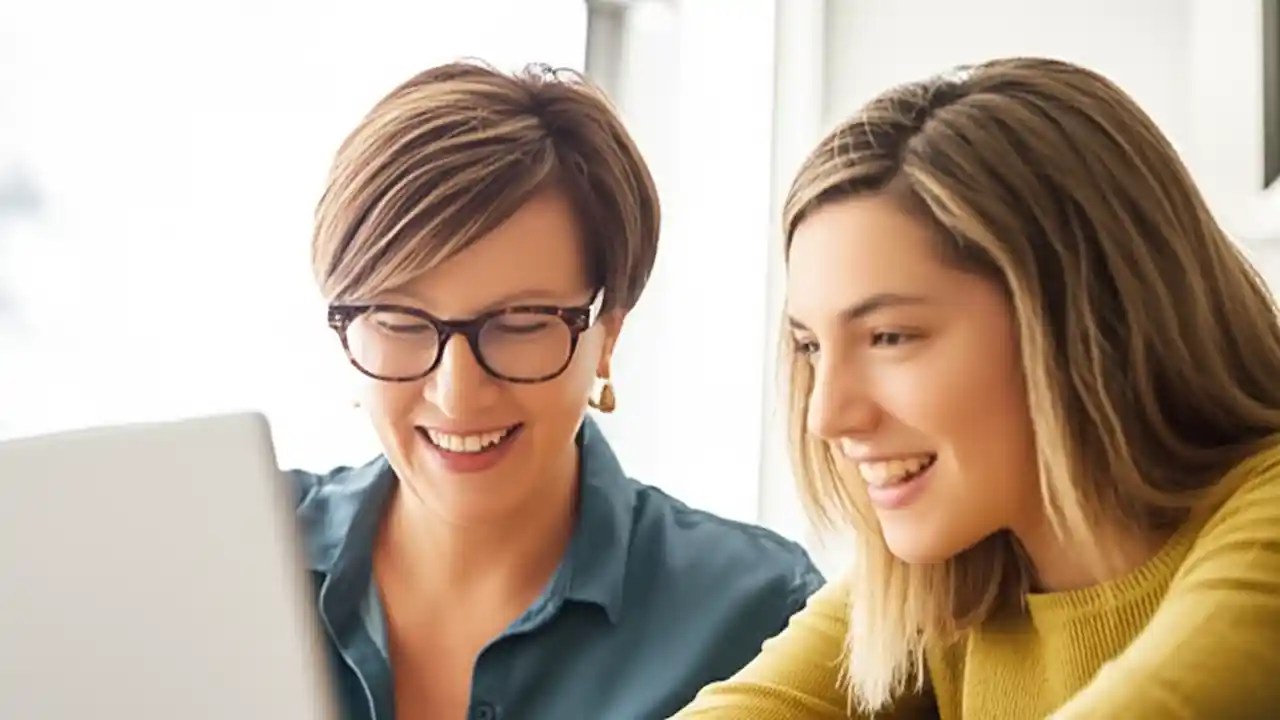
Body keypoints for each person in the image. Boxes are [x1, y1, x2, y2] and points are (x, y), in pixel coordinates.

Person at [674, 57, 1280, 718]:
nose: (826, 414)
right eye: (811, 346)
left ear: (1084, 319)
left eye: (890, 337)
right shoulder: (939, 581)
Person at [288, 60, 822, 720]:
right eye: (401, 324)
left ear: (608, 336)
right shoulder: (224, 553)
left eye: (520, 325)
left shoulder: (761, 615)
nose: (457, 394)